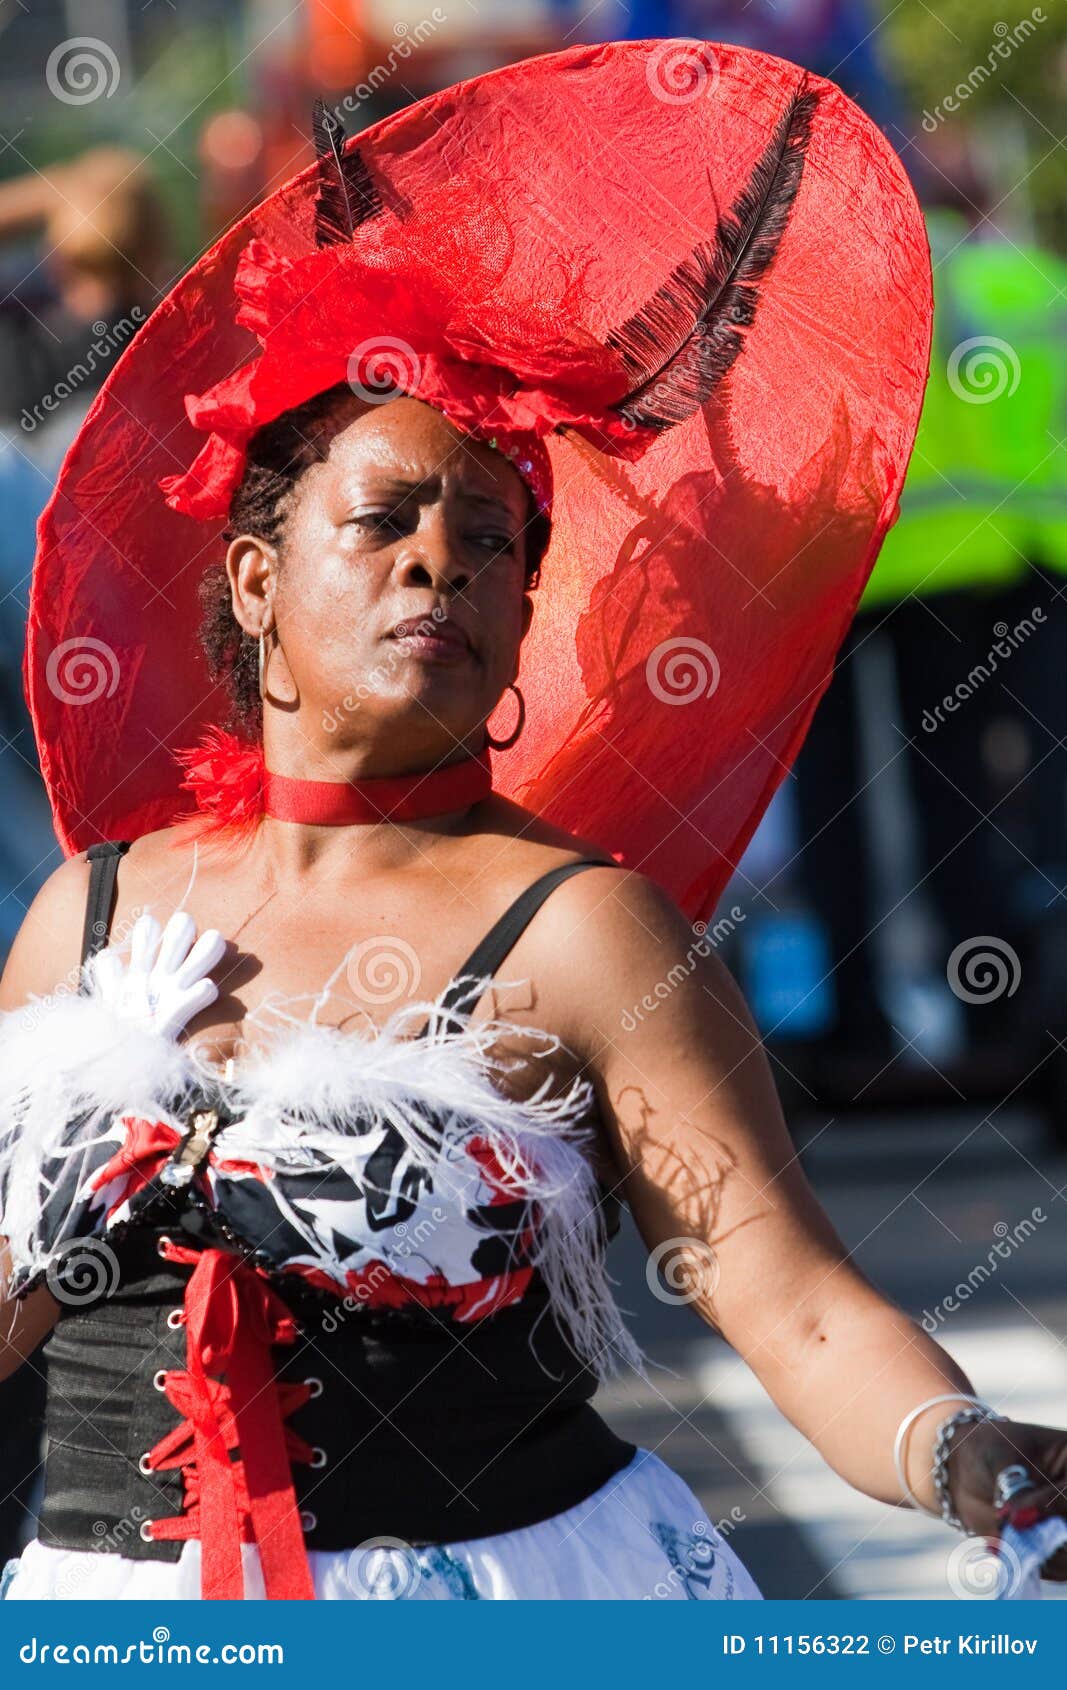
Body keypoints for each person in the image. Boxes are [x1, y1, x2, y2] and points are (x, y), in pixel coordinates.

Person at [2, 40, 1065, 1603]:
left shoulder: (584, 930)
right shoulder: (85, 917)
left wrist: (962, 1448)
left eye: (491, 539)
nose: (442, 566)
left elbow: (790, 1295)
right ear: (251, 583)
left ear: (522, 620)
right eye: (382, 523)